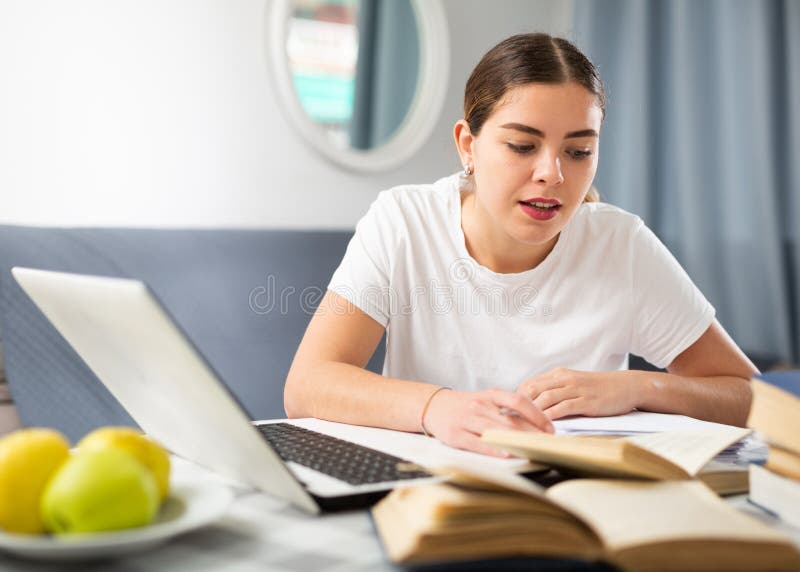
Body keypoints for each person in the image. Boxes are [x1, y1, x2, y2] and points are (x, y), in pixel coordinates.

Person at [284, 33, 757, 457]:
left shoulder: (621, 244)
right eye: (523, 146)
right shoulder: (404, 221)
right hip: (427, 487)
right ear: (468, 145)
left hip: (575, 500)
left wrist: (635, 386)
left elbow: (746, 394)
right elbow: (309, 383)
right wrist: (436, 407)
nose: (552, 173)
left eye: (578, 151)